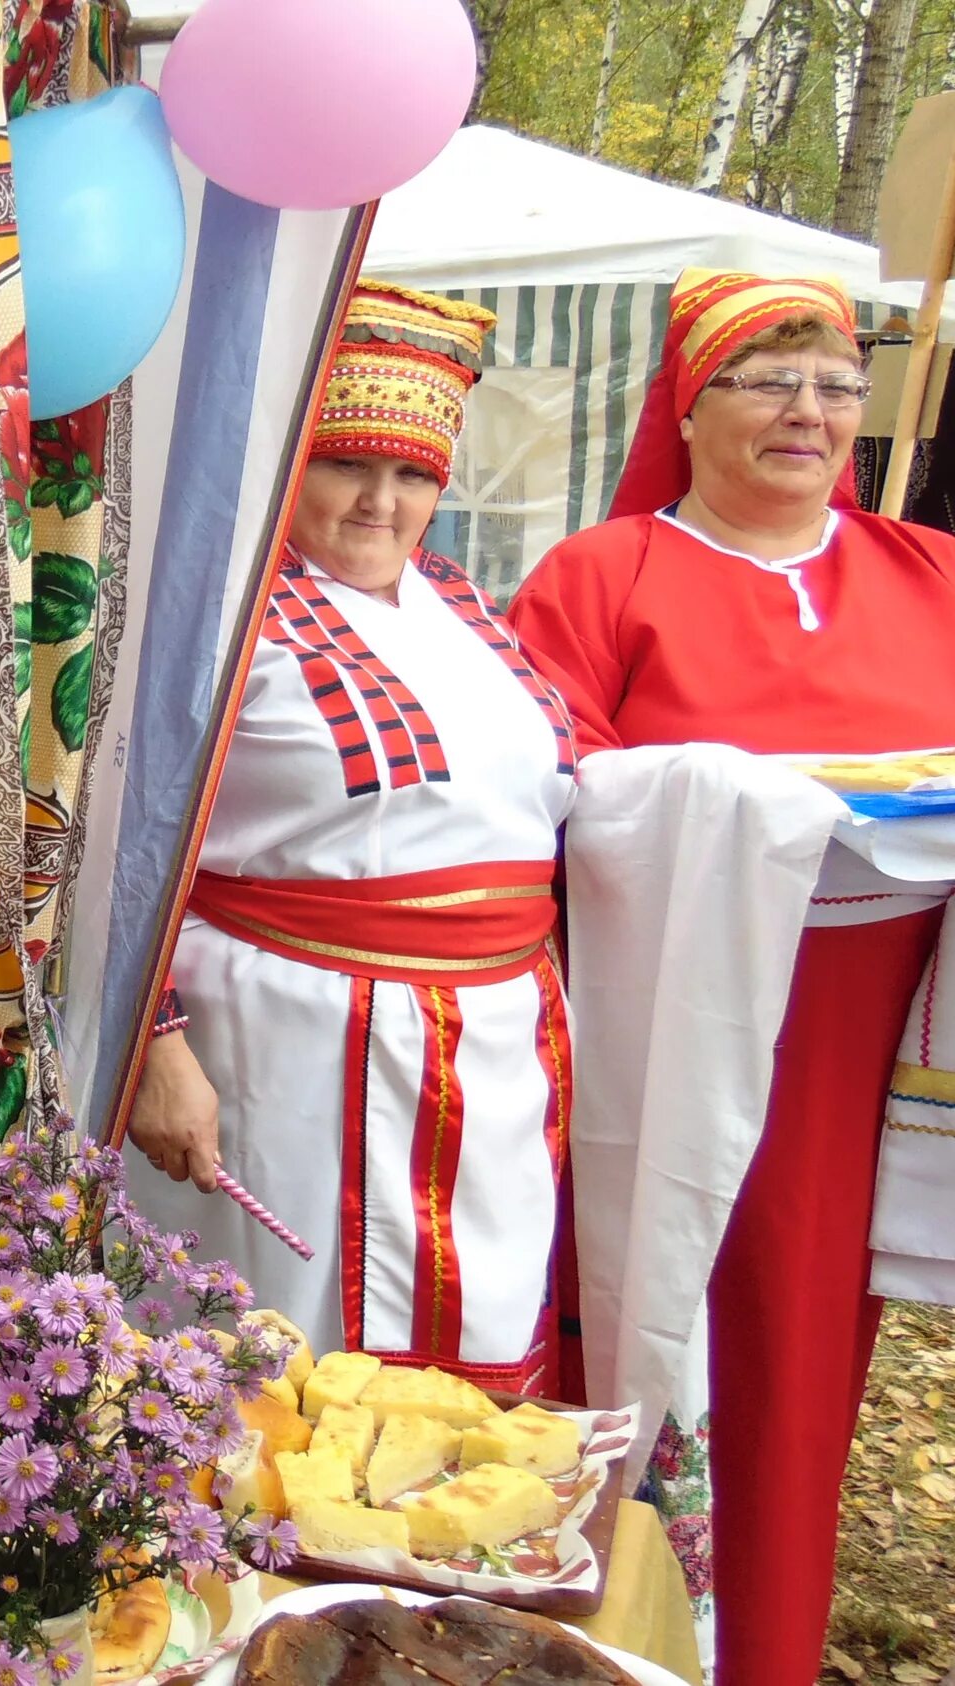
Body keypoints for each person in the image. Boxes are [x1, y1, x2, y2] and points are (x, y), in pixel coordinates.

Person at [504, 272, 955, 1686]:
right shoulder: (603, 574)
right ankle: (610, 1638)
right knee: (656, 1320)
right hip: (674, 1017)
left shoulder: (941, 575)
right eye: (769, 379)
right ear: (688, 406)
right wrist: (744, 804)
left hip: (870, 1026)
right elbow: (549, 774)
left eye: (835, 384)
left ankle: (764, 1647)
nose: (809, 411)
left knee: (804, 1351)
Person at [123, 282, 581, 1396]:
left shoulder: (460, 606)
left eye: (414, 473)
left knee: (471, 1360)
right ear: (290, 457)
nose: (382, 501)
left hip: (492, 1057)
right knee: (282, 1362)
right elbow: (112, 852)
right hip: (288, 1049)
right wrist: (154, 1050)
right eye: (347, 464)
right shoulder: (213, 615)